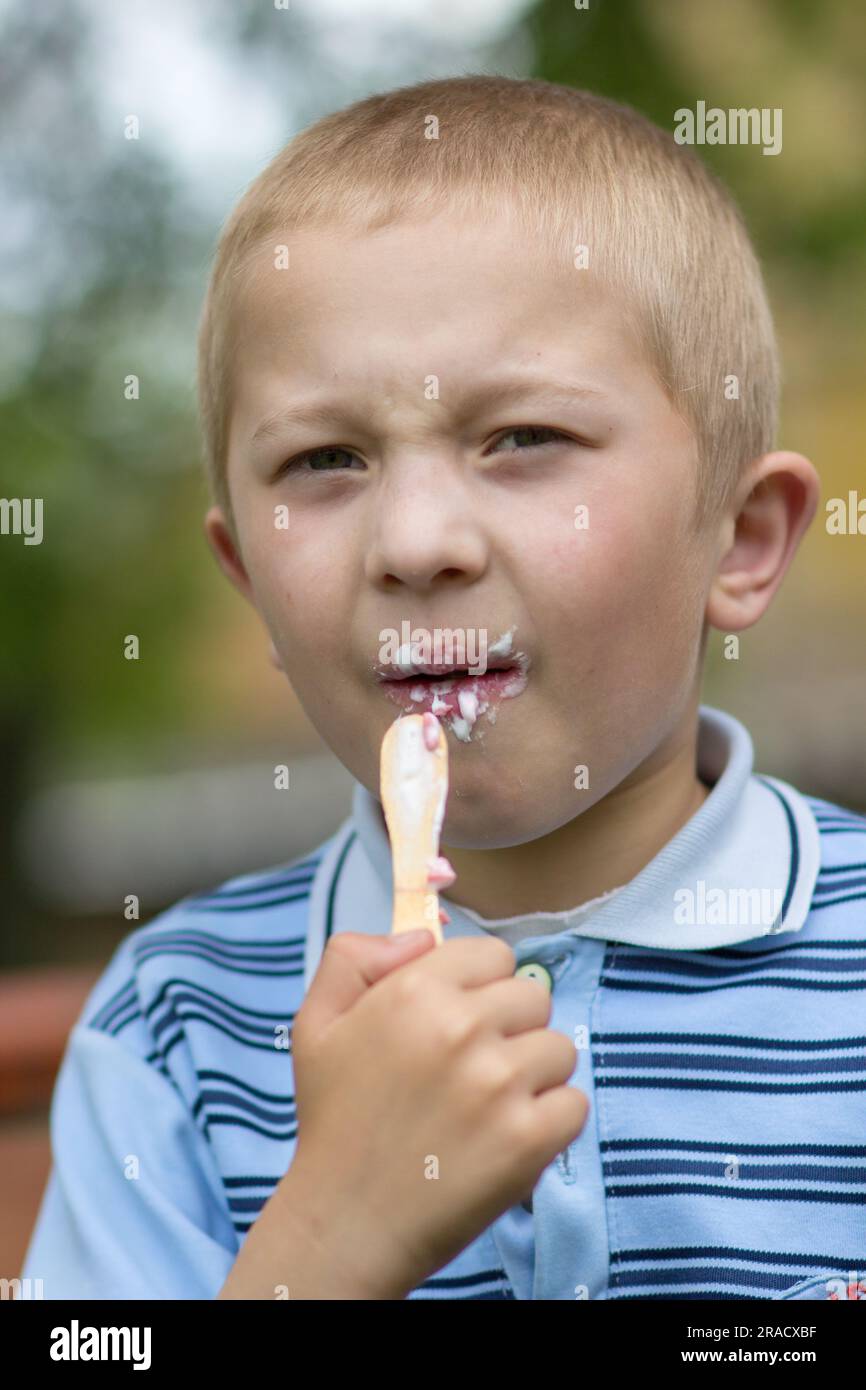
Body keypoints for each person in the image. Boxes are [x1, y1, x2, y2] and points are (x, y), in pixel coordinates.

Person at [20, 76, 866, 1301]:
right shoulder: (171, 1032)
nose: (414, 542)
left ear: (735, 538)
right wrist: (326, 1242)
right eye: (326, 460)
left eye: (520, 438)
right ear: (249, 580)